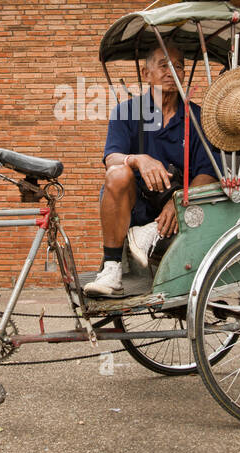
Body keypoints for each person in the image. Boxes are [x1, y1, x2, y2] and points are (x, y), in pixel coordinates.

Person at [85, 43, 218, 296]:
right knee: (118, 173)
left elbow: (207, 172)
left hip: (182, 209)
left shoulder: (198, 118)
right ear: (146, 74)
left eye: (178, 66)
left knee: (206, 185)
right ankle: (112, 268)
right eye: (164, 65)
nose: (172, 72)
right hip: (137, 206)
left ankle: (150, 236)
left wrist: (180, 203)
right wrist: (138, 159)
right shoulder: (126, 112)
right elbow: (111, 159)